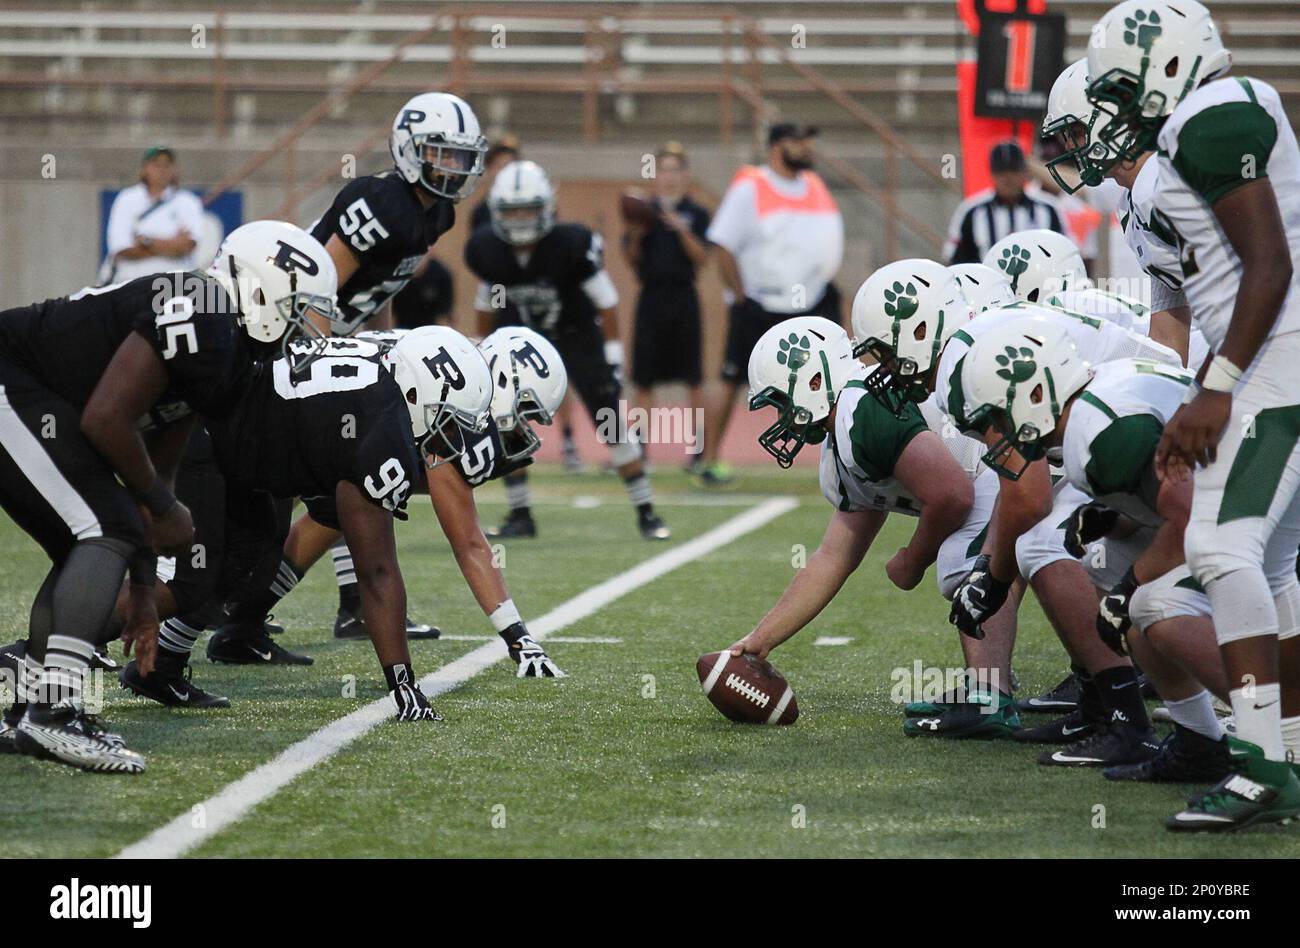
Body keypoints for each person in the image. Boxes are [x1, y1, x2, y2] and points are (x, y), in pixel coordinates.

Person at [0, 219, 332, 770]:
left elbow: (159, 459)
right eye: (299, 309)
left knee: (94, 539)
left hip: (40, 401)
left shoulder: (227, 353)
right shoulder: (203, 308)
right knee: (104, 528)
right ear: (259, 290)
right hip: (12, 380)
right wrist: (165, 507)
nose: (304, 329)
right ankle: (52, 715)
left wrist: (145, 591)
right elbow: (107, 419)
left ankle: (33, 712)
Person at [1085, 0, 1300, 830]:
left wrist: (1221, 385)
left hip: (1279, 356)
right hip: (1267, 356)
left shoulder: (1212, 114)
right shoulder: (1219, 113)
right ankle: (1282, 751)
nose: (1121, 107)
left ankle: (1258, 769)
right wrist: (1208, 386)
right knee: (1272, 569)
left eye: (1124, 86)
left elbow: (1269, 264)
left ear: (1168, 64)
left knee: (1218, 547)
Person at [726, 313, 1024, 739]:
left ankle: (991, 695)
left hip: (1006, 465)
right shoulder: (846, 430)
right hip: (1001, 468)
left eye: (780, 401)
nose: (782, 417)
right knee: (1034, 558)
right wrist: (762, 638)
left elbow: (952, 495)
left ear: (813, 382)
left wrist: (913, 560)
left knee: (964, 564)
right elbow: (834, 555)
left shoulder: (859, 408)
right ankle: (1004, 686)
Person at [465, 159, 670, 541]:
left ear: (546, 208)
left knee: (609, 419)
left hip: (576, 335)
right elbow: (485, 303)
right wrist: (480, 350)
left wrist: (611, 355)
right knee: (507, 418)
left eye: (529, 209)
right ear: (497, 212)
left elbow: (606, 300)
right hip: (520, 340)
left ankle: (647, 513)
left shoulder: (571, 243)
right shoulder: (487, 249)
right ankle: (521, 514)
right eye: (514, 211)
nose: (522, 219)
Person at [699, 122, 844, 485]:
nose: (808, 148)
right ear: (777, 147)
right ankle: (710, 459)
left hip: (811, 300)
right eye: (799, 141)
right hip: (761, 304)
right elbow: (722, 244)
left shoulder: (813, 185)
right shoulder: (751, 186)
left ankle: (844, 459)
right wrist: (742, 296)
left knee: (834, 377)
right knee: (732, 378)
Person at [311, 92, 484, 336]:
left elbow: (382, 286)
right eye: (441, 153)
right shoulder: (383, 204)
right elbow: (316, 288)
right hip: (286, 329)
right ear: (409, 149)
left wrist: (380, 344)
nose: (453, 167)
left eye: (459, 155)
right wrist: (317, 357)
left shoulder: (439, 213)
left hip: (322, 332)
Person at [622, 142, 710, 469]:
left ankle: (700, 446)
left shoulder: (696, 213)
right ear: (654, 174)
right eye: (663, 170)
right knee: (644, 377)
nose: (669, 177)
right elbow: (631, 260)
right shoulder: (644, 212)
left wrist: (681, 228)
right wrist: (634, 233)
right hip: (651, 297)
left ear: (685, 174)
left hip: (684, 297)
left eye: (675, 170)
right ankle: (640, 446)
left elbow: (703, 259)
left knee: (694, 377)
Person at [944, 141, 1065, 265]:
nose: (1008, 179)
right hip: (988, 282)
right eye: (1001, 172)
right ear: (992, 174)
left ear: (1025, 172)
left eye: (1013, 171)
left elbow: (1064, 253)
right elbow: (956, 259)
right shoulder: (971, 211)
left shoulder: (1048, 209)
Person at [101, 146, 204, 284]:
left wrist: (147, 242)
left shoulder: (188, 201)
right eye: (156, 165)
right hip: (130, 284)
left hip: (174, 286)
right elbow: (121, 249)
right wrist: (172, 244)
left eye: (167, 165)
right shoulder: (126, 199)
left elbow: (188, 245)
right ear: (144, 169)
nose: (162, 170)